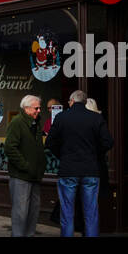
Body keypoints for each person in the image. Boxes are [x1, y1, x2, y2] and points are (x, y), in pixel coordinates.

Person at [46, 89, 113, 237]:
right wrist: (94, 153)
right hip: (90, 170)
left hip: (68, 169)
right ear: (84, 102)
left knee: (67, 213)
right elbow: (108, 142)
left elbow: (50, 143)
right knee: (91, 214)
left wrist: (62, 155)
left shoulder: (62, 117)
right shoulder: (96, 118)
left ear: (71, 102)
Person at [4, 94, 44, 237]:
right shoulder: (17, 122)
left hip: (34, 175)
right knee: (20, 212)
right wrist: (25, 166)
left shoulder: (35, 123)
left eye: (39, 108)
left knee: (33, 211)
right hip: (21, 175)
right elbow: (9, 148)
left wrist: (39, 167)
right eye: (36, 108)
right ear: (26, 108)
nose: (39, 110)